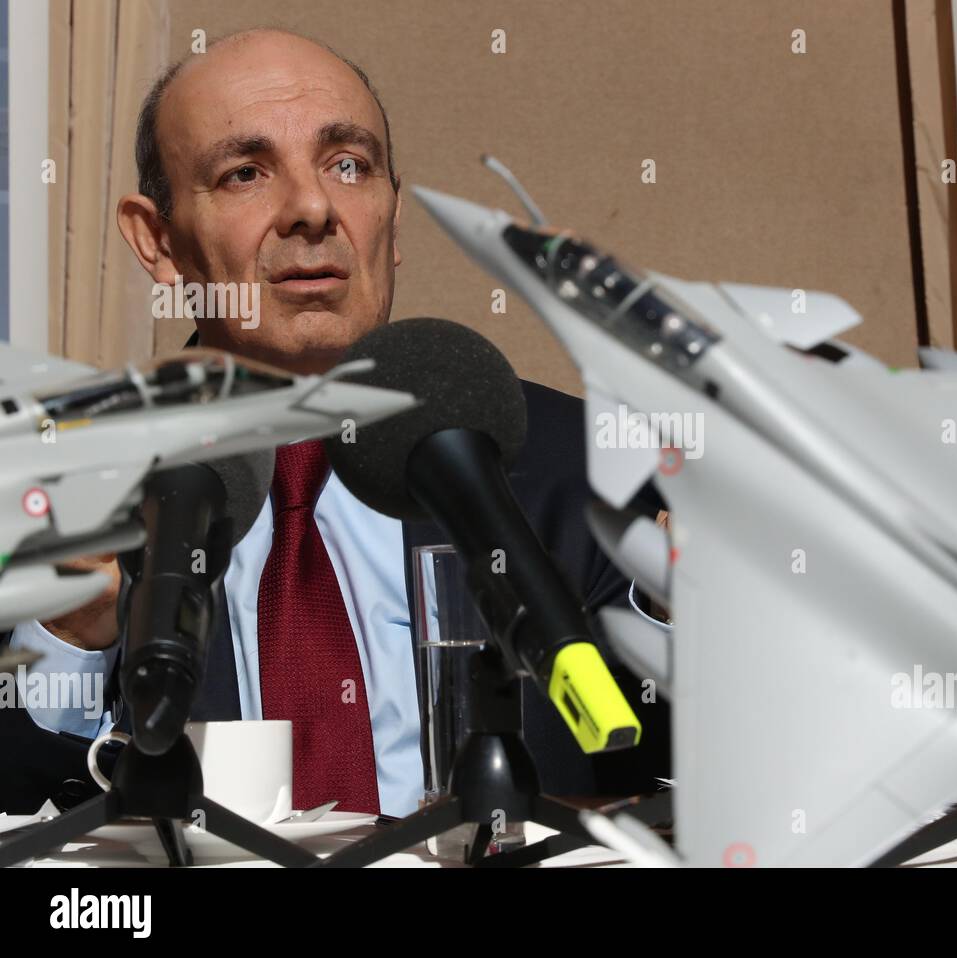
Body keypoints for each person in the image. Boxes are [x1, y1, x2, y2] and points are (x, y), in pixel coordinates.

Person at [0, 28, 669, 816]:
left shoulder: (578, 466)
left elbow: (681, 786)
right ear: (160, 241)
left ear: (392, 212)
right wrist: (71, 640)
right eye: (245, 172)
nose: (313, 209)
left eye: (348, 165)